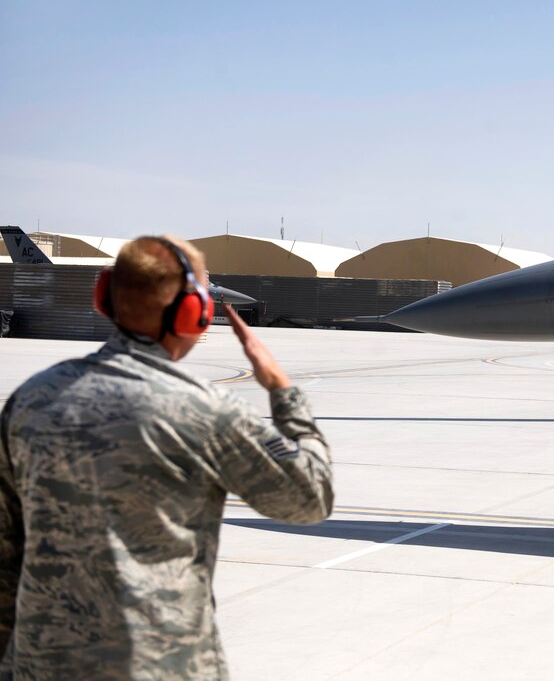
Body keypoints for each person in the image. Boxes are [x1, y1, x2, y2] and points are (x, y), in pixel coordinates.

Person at [0, 236, 334, 679]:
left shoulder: (30, 400)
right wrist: (284, 392)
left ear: (105, 299)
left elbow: (5, 555)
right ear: (194, 313)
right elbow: (310, 499)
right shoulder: (210, 411)